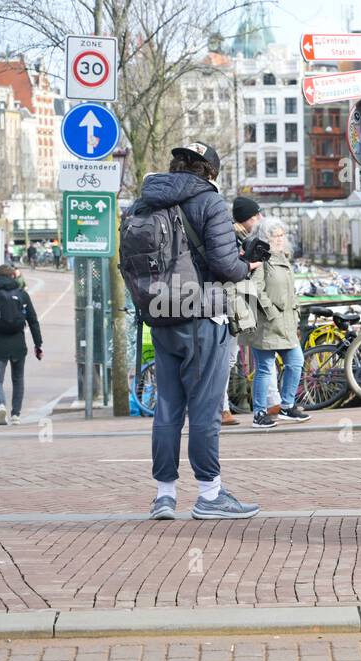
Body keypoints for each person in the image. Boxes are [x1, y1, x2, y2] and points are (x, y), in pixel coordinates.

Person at [127, 140, 261, 520]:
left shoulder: (146, 200)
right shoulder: (209, 201)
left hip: (160, 313)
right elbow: (223, 263)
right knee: (204, 408)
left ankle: (164, 495)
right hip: (202, 313)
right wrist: (245, 267)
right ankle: (209, 493)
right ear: (210, 172)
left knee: (167, 407)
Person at [247, 216, 308, 428]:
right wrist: (271, 312)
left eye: (282, 235)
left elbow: (289, 289)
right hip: (267, 323)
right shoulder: (262, 259)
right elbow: (255, 289)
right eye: (275, 235)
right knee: (264, 368)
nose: (280, 239)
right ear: (265, 237)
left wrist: (296, 310)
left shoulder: (283, 258)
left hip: (286, 321)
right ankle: (259, 413)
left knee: (296, 361)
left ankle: (286, 405)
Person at [221, 196, 267, 427]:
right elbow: (231, 268)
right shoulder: (233, 238)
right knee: (227, 358)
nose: (259, 219)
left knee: (231, 356)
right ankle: (222, 408)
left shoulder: (243, 237)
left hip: (239, 300)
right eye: (254, 216)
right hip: (232, 302)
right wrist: (248, 265)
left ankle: (224, 407)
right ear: (244, 220)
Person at [0, 264, 42, 426]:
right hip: (18, 344)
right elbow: (33, 321)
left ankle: (0, 404)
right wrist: (38, 345)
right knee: (18, 379)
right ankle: (16, 414)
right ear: (13, 277)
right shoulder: (22, 294)